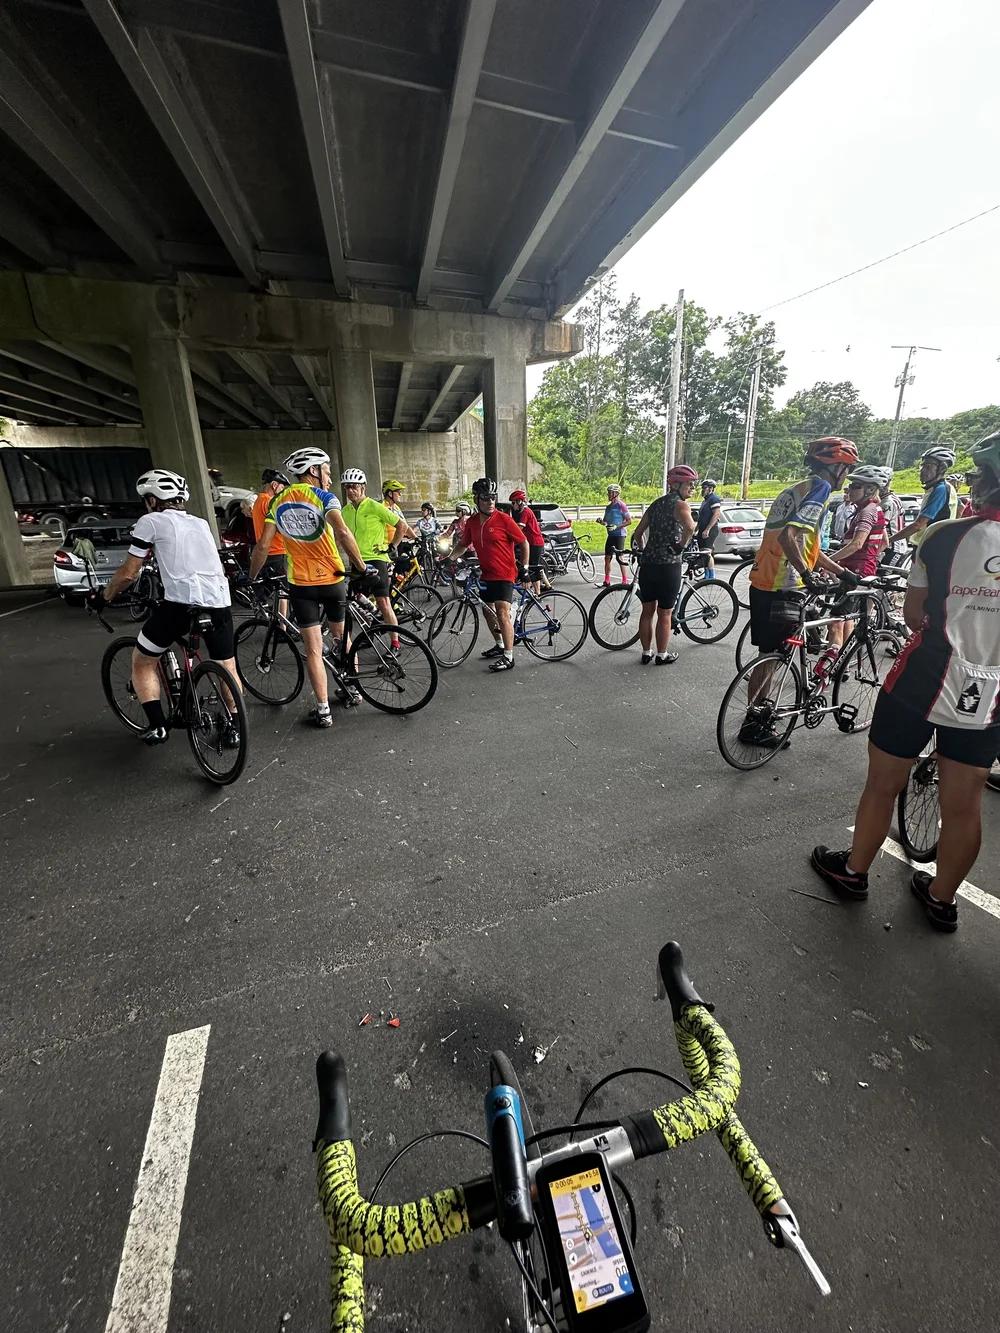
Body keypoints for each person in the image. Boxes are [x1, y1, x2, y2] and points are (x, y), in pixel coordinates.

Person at [810, 431, 1000, 931]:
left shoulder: (945, 536)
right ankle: (941, 899)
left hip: (924, 677)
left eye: (979, 474)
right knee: (964, 803)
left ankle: (854, 872)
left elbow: (915, 614)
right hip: (990, 695)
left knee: (882, 784)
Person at [89, 469, 242, 747]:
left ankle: (158, 726)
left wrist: (104, 596)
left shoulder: (151, 521)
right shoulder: (201, 523)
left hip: (181, 605)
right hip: (219, 602)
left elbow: (128, 573)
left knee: (142, 660)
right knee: (227, 666)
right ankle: (235, 726)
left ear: (151, 500)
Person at [743, 438, 858, 746]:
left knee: (767, 656)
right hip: (785, 585)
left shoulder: (798, 489)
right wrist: (808, 576)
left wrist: (842, 572)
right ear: (836, 468)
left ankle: (754, 718)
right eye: (846, 470)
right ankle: (755, 724)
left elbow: (809, 547)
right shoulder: (820, 490)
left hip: (764, 580)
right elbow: (789, 538)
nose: (846, 477)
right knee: (774, 659)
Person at [249, 448, 366, 726]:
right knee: (342, 637)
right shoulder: (325, 497)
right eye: (325, 471)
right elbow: (343, 532)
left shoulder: (277, 501)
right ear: (313, 471)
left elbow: (263, 545)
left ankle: (323, 710)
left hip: (302, 584)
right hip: (333, 578)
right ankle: (353, 689)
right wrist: (361, 567)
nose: (328, 477)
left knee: (313, 649)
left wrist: (252, 576)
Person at [448, 477, 528, 672]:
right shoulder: (473, 522)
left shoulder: (504, 519)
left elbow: (524, 542)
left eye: (492, 497)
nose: (490, 501)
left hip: (505, 573)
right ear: (476, 499)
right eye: (485, 497)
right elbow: (463, 544)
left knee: (501, 611)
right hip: (487, 573)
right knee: (486, 610)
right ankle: (500, 644)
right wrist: (449, 559)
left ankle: (509, 656)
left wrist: (524, 568)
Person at [629, 464, 698, 665]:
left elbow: (638, 532)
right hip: (669, 566)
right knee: (665, 612)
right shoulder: (681, 505)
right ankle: (662, 654)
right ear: (676, 485)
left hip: (648, 565)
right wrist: (681, 546)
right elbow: (690, 527)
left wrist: (642, 550)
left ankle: (645, 652)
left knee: (647, 610)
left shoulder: (656, 504)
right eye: (689, 485)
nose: (692, 488)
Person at [822, 466, 886, 659]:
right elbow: (884, 542)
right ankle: (844, 662)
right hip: (862, 569)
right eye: (850, 485)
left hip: (855, 572)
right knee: (847, 618)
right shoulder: (874, 509)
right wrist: (870, 557)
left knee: (834, 621)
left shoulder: (866, 512)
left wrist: (827, 561)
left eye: (855, 486)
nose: (849, 490)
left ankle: (832, 664)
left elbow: (857, 544)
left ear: (869, 489)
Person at [339, 468, 404, 641]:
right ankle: (371, 632)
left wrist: (392, 547)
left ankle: (395, 642)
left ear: (363, 488)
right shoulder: (345, 511)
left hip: (377, 560)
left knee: (384, 602)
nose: (350, 490)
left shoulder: (375, 506)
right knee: (356, 603)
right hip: (357, 561)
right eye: (347, 487)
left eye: (354, 486)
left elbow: (401, 526)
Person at [896, 446, 958, 548]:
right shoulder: (946, 488)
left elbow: (918, 525)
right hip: (934, 544)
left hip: (932, 547)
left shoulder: (940, 490)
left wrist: (889, 541)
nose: (923, 470)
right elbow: (959, 507)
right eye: (922, 466)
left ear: (942, 468)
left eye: (928, 466)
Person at [508, 489, 548, 594]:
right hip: (532, 542)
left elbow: (519, 527)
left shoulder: (525, 512)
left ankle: (537, 593)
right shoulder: (523, 512)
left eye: (513, 503)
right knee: (532, 565)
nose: (513, 505)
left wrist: (506, 529)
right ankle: (546, 586)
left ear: (519, 501)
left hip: (535, 542)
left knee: (532, 567)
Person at [597, 484, 632, 585]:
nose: (608, 494)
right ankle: (607, 580)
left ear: (616, 494)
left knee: (619, 557)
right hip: (611, 535)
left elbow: (629, 521)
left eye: (610, 492)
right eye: (608, 492)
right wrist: (601, 522)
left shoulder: (621, 505)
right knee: (607, 557)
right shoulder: (608, 507)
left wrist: (617, 527)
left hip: (619, 535)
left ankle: (624, 580)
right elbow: (605, 522)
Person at [876, 467, 907, 568]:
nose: (880, 486)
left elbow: (879, 528)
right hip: (888, 546)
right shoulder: (885, 499)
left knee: (884, 578)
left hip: (893, 548)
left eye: (883, 483)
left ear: (888, 483)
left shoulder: (888, 502)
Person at [694, 478, 723, 578]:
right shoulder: (705, 501)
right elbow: (701, 517)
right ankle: (707, 575)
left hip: (710, 529)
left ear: (711, 489)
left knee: (707, 552)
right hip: (702, 529)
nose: (703, 490)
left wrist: (708, 529)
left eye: (705, 488)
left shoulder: (714, 499)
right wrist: (696, 529)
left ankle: (710, 576)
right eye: (702, 488)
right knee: (703, 553)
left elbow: (716, 514)